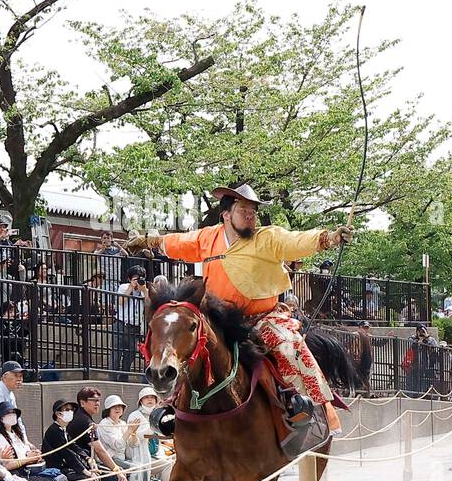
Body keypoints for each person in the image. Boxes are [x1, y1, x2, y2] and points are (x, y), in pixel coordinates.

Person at [125, 181, 353, 431]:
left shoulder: (268, 238)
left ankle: (312, 406)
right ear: (226, 214)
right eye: (244, 210)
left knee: (289, 343)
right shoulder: (207, 237)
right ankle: (172, 405)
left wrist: (329, 238)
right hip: (218, 317)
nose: (250, 215)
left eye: (253, 211)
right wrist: (147, 240)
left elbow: (296, 241)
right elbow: (177, 242)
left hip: (262, 317)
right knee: (184, 342)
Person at [66, 387, 159, 481]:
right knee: (113, 476)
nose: (97, 403)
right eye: (93, 400)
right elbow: (100, 450)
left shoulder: (88, 419)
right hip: (77, 465)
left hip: (87, 462)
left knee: (118, 472)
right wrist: (115, 469)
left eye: (98, 400)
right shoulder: (87, 421)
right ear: (82, 403)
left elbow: (130, 444)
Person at [111, 266, 147, 380]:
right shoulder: (123, 287)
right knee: (116, 354)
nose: (137, 281)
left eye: (140, 278)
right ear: (129, 278)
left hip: (134, 327)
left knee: (130, 355)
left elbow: (150, 304)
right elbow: (121, 302)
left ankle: (124, 377)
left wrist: (144, 290)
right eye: (135, 278)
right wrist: (131, 288)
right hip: (121, 324)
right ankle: (112, 378)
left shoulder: (144, 291)